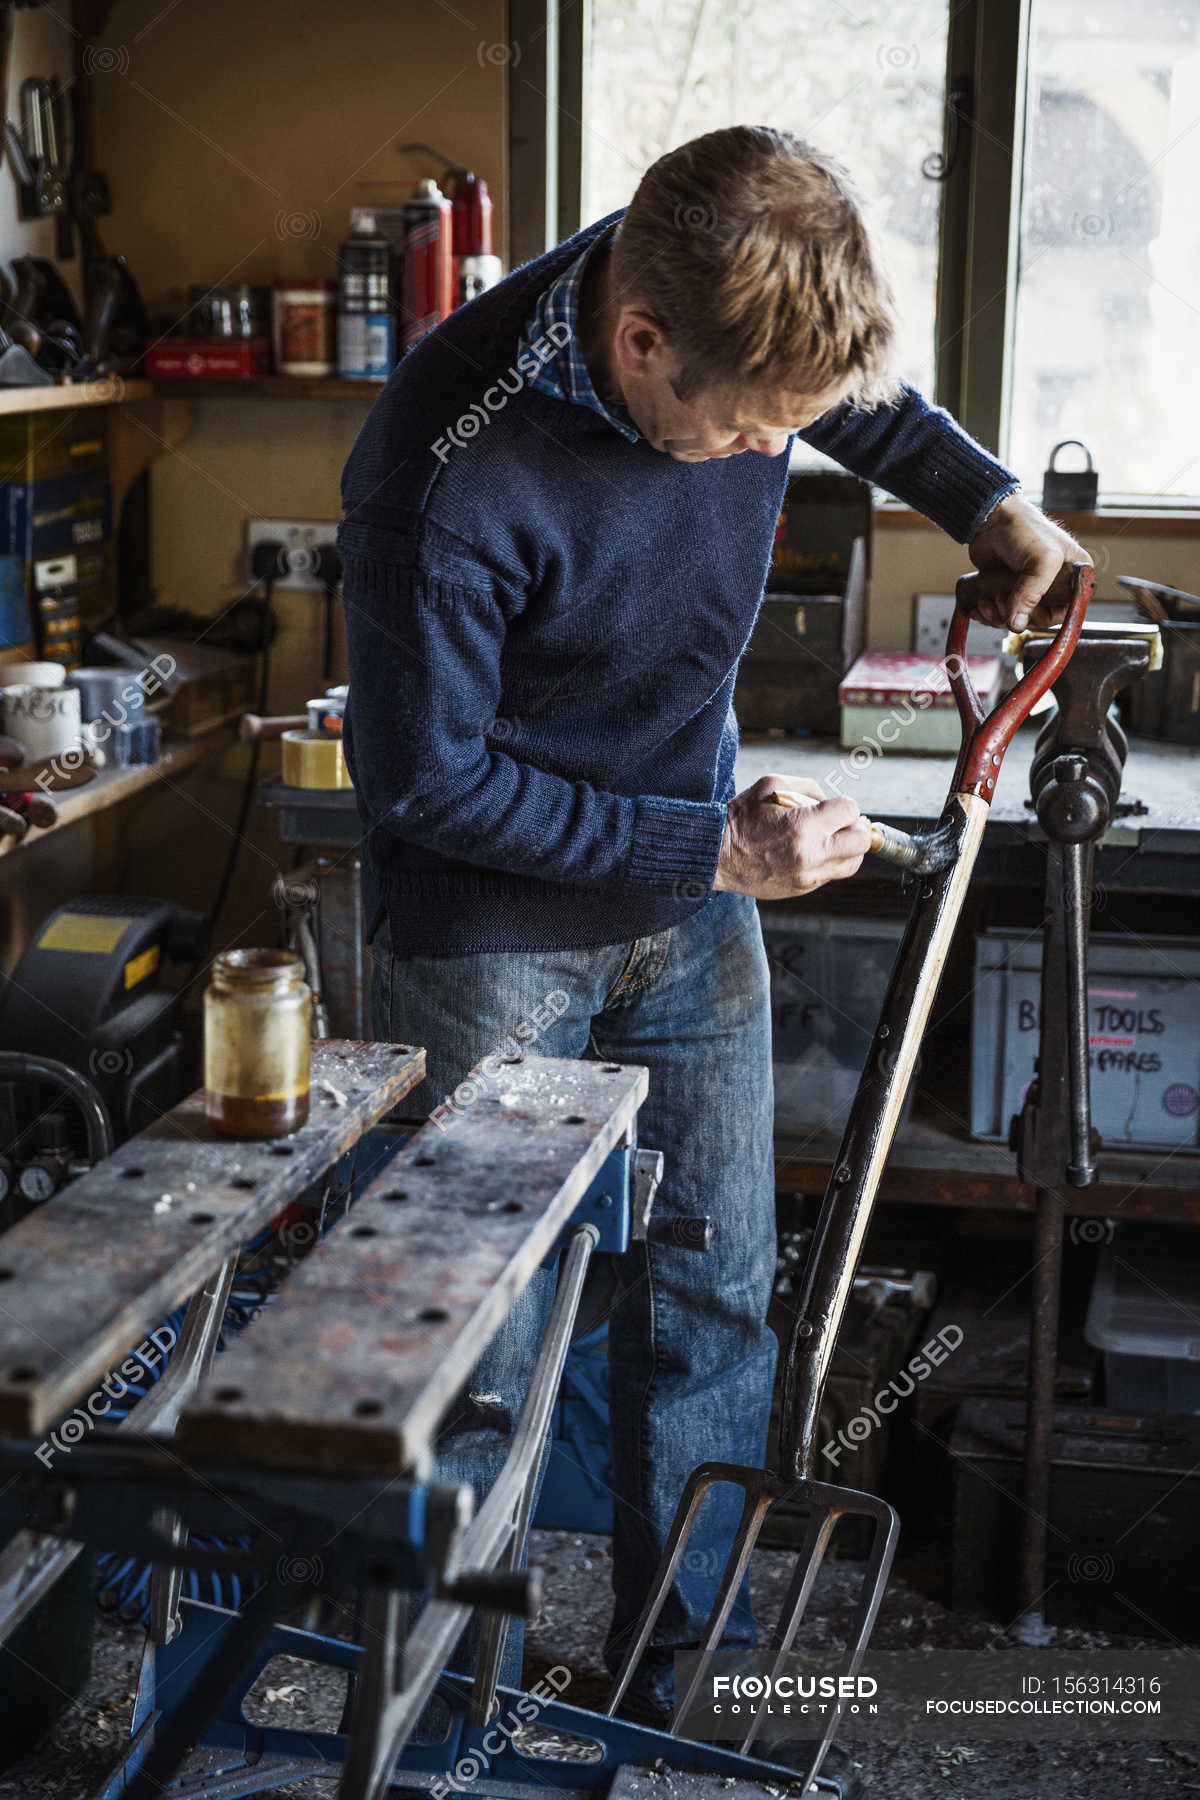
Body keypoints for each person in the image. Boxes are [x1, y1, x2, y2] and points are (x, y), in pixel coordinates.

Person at [338, 124, 1088, 1720]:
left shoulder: (719, 295)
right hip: (488, 939)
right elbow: (424, 792)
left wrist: (986, 503)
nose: (769, 462)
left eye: (787, 438)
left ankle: (672, 1680)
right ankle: (457, 1703)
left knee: (711, 1293)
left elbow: (842, 399)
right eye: (745, 438)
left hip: (687, 900)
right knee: (487, 1332)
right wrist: (715, 853)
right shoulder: (441, 462)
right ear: (639, 345)